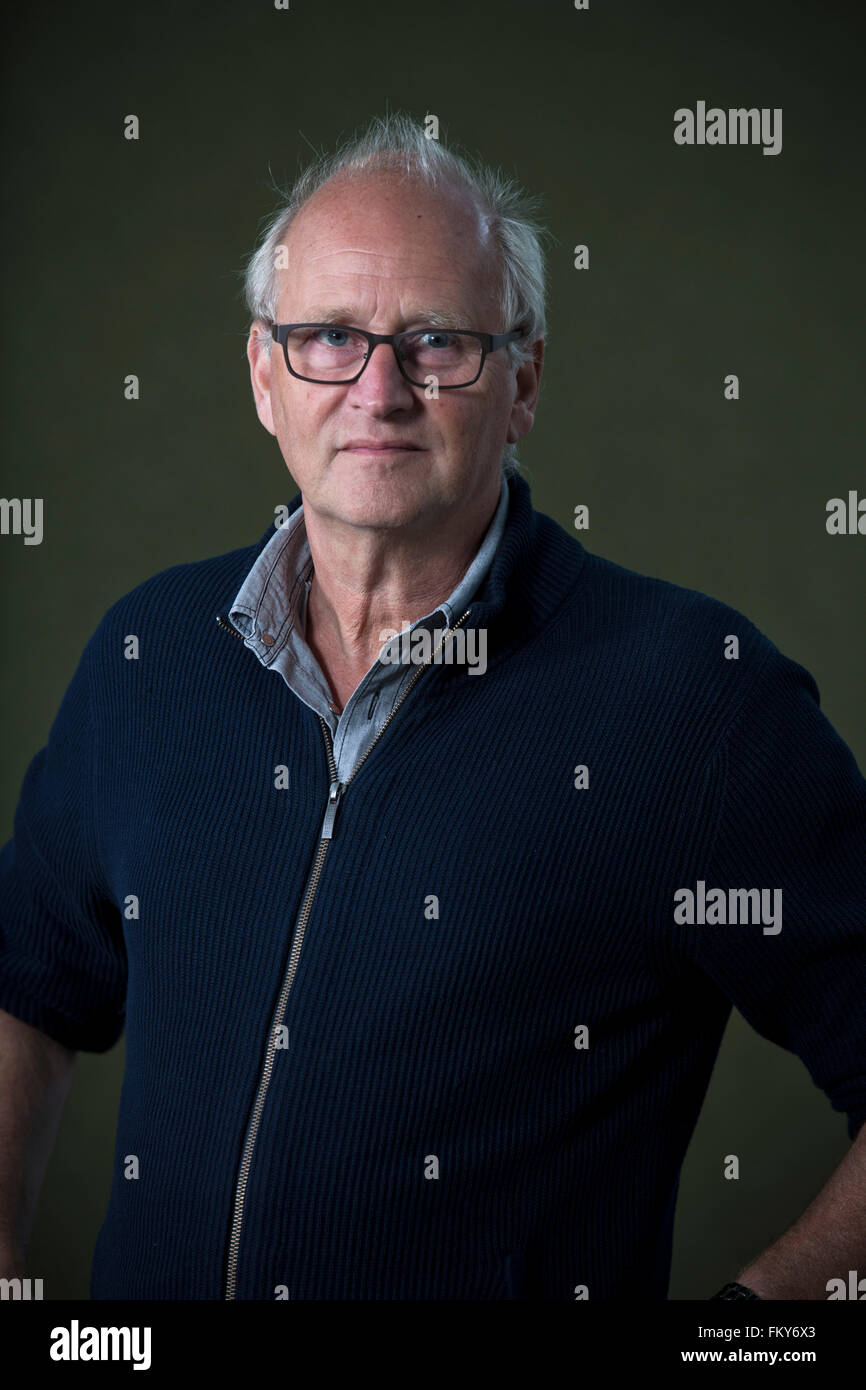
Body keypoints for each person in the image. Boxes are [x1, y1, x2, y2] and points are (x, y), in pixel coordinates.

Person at [1, 113, 864, 1302]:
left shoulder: (693, 699)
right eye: (326, 339)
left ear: (522, 382)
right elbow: (24, 985)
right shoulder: (150, 657)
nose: (378, 389)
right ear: (263, 375)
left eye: (437, 343)